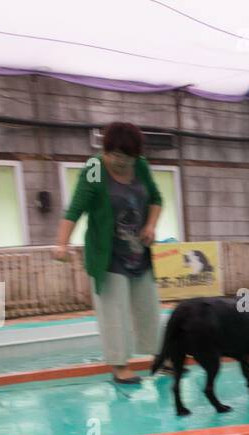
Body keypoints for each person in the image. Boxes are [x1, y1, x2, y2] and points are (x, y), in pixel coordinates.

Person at [54, 121, 163, 384]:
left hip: (138, 253)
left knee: (149, 307)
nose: (119, 162)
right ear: (105, 150)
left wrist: (150, 225)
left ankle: (160, 356)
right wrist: (62, 243)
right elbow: (76, 208)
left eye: (126, 158)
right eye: (114, 155)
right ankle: (120, 365)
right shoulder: (94, 168)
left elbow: (156, 199)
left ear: (136, 156)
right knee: (115, 312)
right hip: (108, 256)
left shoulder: (141, 166)